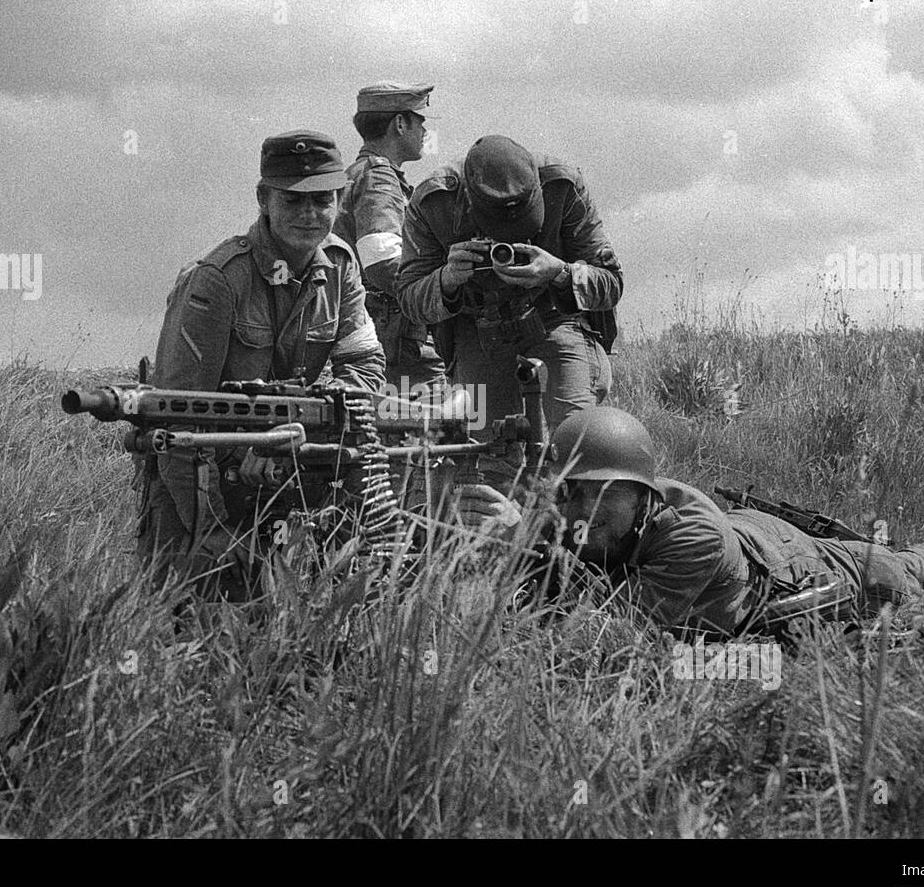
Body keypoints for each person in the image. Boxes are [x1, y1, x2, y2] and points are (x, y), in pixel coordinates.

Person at [456, 407, 924, 637]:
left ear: (641, 496)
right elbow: (566, 569)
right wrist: (524, 538)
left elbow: (615, 621)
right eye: (571, 496)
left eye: (601, 497)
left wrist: (528, 546)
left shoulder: (694, 538)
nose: (583, 513)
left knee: (912, 574)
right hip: (755, 536)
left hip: (815, 576)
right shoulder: (587, 519)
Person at [137, 130, 386, 599]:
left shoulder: (340, 265)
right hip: (200, 477)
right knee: (188, 623)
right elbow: (172, 415)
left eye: (322, 199)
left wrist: (304, 429)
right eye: (293, 200)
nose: (310, 215)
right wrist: (210, 530)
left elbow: (365, 366)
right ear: (263, 199)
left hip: (294, 470)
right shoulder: (216, 280)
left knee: (299, 626)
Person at [394, 134, 623, 488]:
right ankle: (509, 537)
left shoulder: (561, 185)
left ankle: (581, 535)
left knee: (578, 444)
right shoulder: (433, 202)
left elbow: (610, 283)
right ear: (470, 202)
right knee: (491, 460)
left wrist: (559, 272)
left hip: (554, 319)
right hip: (477, 332)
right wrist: (447, 279)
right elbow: (409, 298)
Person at [333, 81, 446, 399]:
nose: (425, 130)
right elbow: (383, 261)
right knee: (443, 428)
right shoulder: (379, 176)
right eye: (420, 120)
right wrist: (441, 293)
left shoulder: (359, 172)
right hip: (398, 341)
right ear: (400, 123)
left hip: (383, 333)